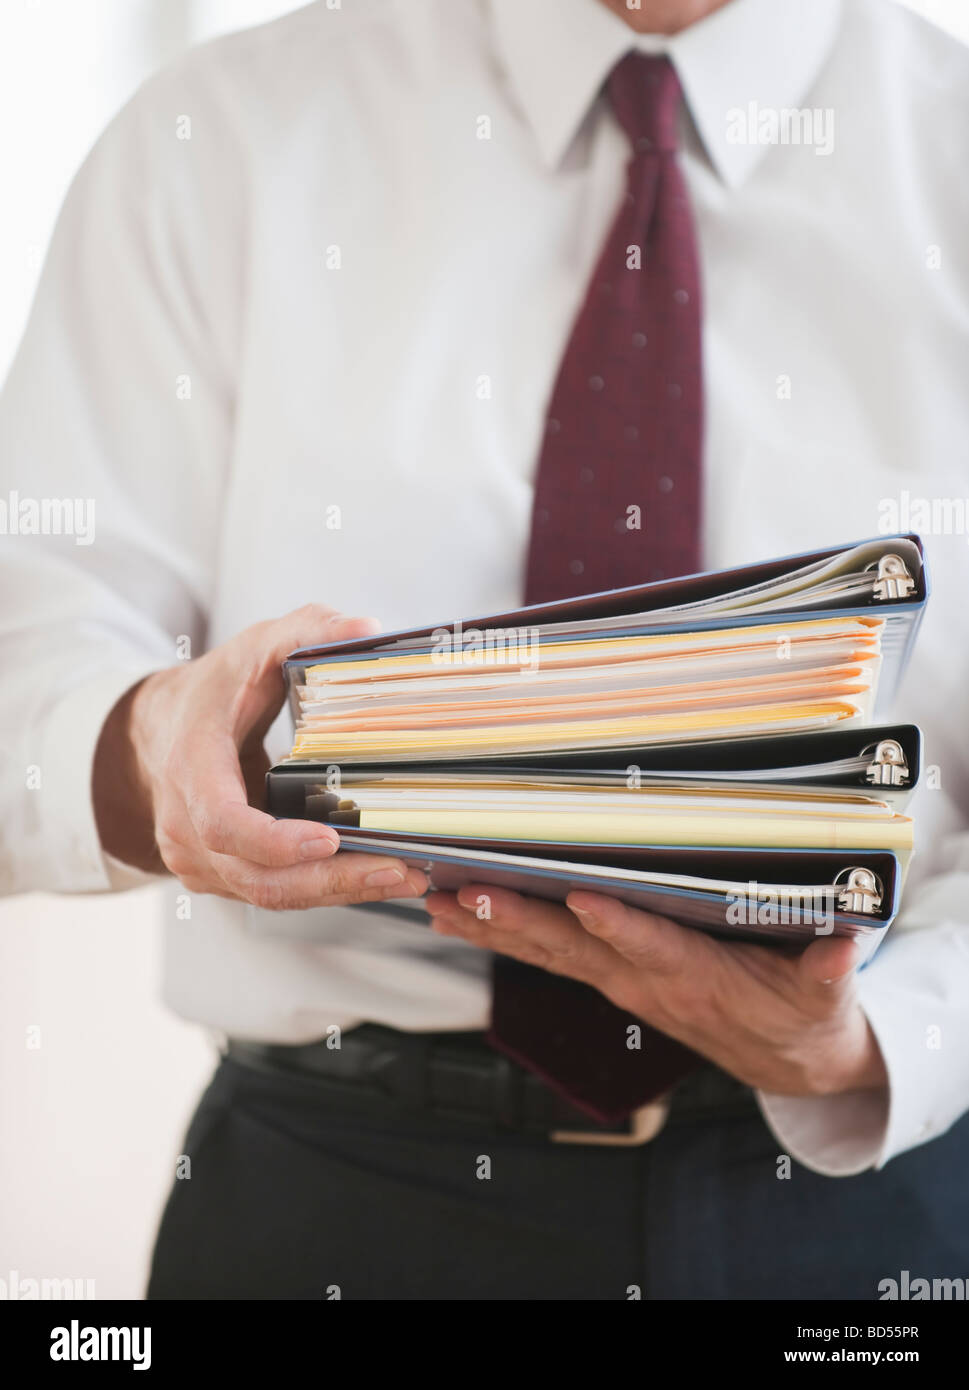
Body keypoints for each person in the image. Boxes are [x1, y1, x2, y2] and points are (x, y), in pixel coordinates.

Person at [1, 0, 968, 1300]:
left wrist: (872, 1043)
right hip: (338, 1192)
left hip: (874, 1205)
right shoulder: (216, 138)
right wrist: (143, 752)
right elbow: (29, 650)